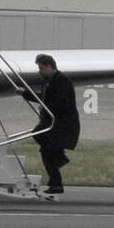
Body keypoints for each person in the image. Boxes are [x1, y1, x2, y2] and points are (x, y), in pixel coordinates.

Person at [22, 53, 80, 195]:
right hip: (52, 123)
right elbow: (43, 98)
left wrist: (48, 108)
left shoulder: (62, 81)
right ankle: (58, 172)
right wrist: (25, 93)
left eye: (41, 68)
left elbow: (60, 101)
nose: (39, 71)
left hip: (62, 125)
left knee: (47, 151)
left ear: (49, 66)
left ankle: (56, 182)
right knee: (46, 148)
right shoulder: (48, 81)